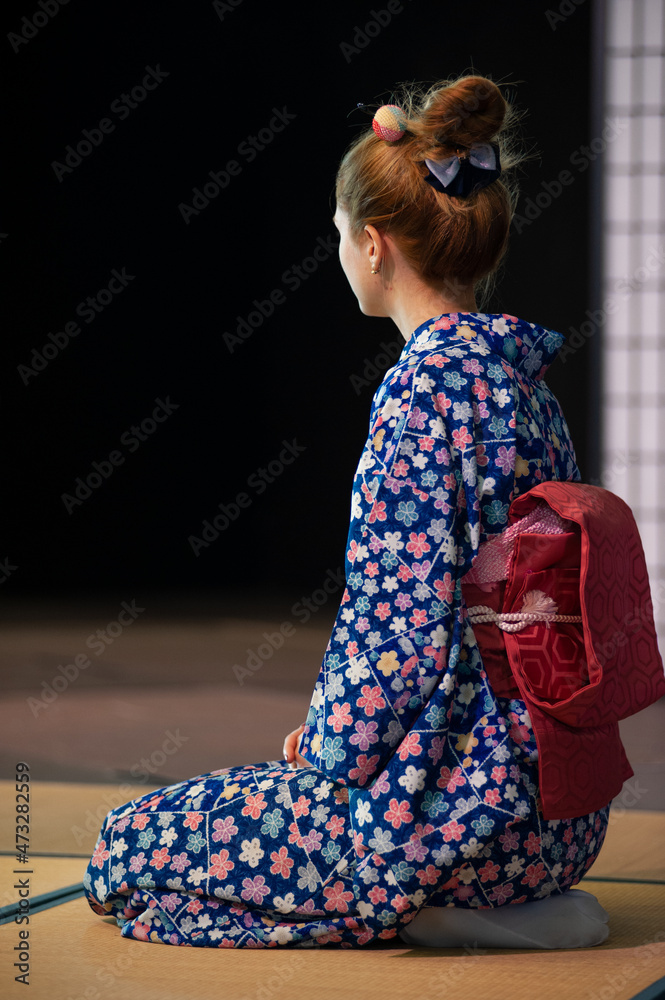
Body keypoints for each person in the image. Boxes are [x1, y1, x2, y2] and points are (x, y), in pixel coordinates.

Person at [84, 73, 663, 949]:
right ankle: (471, 905)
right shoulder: (522, 382)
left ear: (373, 244)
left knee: (125, 852)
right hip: (560, 816)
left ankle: (421, 906)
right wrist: (342, 739)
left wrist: (327, 754)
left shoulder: (422, 392)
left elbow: (403, 631)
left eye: (338, 237)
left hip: (449, 822)